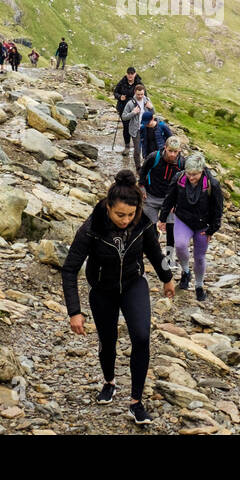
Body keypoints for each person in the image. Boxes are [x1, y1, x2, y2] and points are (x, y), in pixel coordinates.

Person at [61, 170, 175, 426]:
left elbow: (155, 252)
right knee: (108, 340)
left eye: (130, 214)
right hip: (103, 290)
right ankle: (109, 381)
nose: (125, 220)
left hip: (134, 284)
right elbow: (69, 269)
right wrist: (74, 311)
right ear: (108, 206)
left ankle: (136, 402)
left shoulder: (141, 221)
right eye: (119, 214)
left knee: (142, 337)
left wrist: (166, 277)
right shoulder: (91, 228)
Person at [158, 151, 223, 303]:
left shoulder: (212, 184)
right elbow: (169, 198)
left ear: (202, 171)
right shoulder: (179, 178)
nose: (191, 177)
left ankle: (199, 286)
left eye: (195, 174)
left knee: (199, 257)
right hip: (183, 219)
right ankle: (186, 272)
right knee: (180, 245)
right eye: (189, 173)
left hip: (202, 225)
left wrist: (212, 229)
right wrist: (163, 218)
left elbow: (218, 209)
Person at [138, 137, 184, 267]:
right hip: (151, 197)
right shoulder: (154, 157)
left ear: (179, 151)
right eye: (170, 151)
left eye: (176, 152)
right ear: (165, 147)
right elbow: (143, 171)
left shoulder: (182, 163)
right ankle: (151, 254)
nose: (172, 155)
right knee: (149, 228)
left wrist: (176, 202)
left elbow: (183, 184)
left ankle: (170, 258)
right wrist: (141, 187)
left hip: (169, 201)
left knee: (171, 229)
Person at [120, 81, 153, 169]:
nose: (140, 96)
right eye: (138, 94)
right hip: (136, 129)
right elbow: (123, 117)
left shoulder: (147, 100)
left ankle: (147, 166)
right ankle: (138, 168)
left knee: (148, 149)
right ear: (135, 92)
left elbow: (152, 114)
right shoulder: (130, 103)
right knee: (137, 150)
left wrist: (151, 108)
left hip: (147, 128)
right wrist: (133, 112)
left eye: (142, 94)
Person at [113, 67, 143, 153]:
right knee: (126, 127)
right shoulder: (122, 82)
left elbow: (144, 95)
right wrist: (120, 97)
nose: (130, 75)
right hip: (123, 108)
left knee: (136, 127)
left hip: (136, 109)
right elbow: (115, 92)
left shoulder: (139, 83)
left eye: (132, 73)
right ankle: (127, 146)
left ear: (135, 74)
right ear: (126, 74)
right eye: (129, 73)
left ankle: (137, 148)